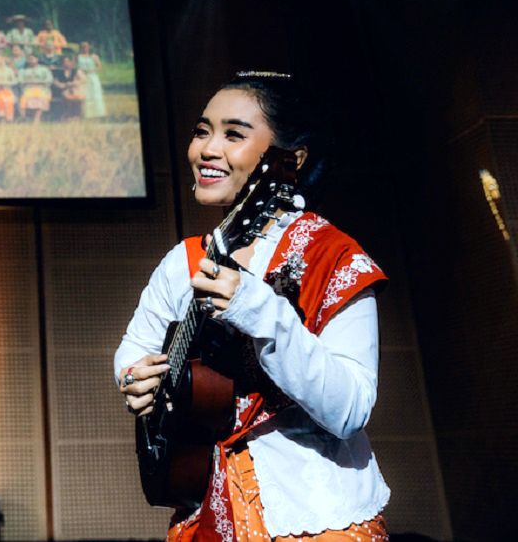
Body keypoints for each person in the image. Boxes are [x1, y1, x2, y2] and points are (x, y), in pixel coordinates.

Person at [114, 72, 390, 541]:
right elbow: (134, 347)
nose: (207, 149)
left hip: (313, 510)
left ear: (290, 161)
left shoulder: (332, 256)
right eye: (203, 131)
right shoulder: (185, 262)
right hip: (203, 504)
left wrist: (258, 309)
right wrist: (134, 378)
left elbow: (350, 410)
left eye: (234, 135)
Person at [77, 41, 107, 119]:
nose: (85, 48)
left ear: (89, 47)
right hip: (82, 77)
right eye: (83, 47)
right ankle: (87, 114)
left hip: (93, 77)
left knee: (95, 94)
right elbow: (75, 66)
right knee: (86, 95)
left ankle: (98, 114)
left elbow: (99, 67)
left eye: (86, 47)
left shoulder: (94, 56)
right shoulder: (78, 57)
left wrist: (92, 70)